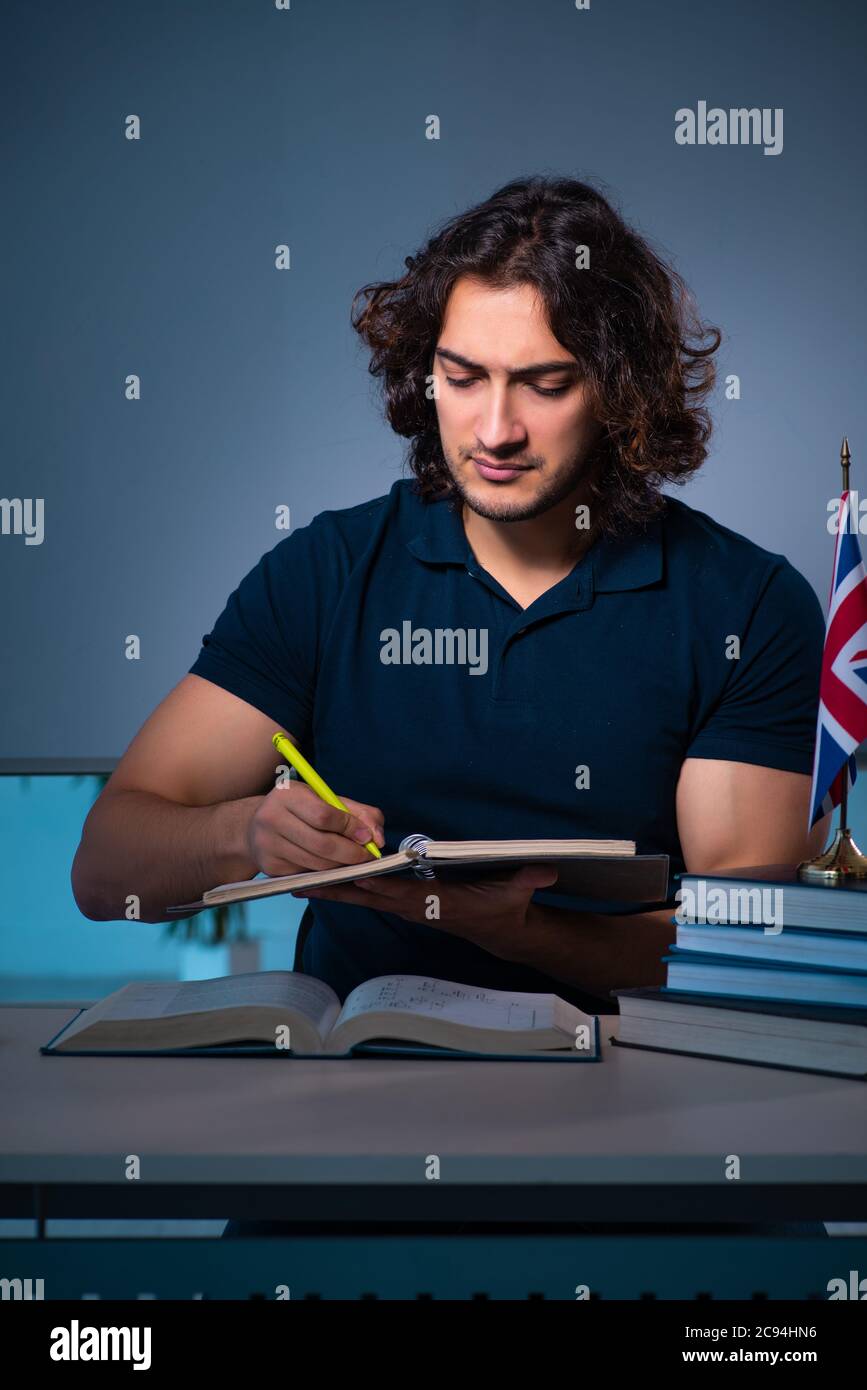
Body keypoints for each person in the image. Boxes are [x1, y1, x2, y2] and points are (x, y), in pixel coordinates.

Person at [71, 175, 830, 1240]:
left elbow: (748, 947)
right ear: (422, 375)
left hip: (644, 1133)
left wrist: (530, 933)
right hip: (350, 1139)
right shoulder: (329, 570)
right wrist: (243, 827)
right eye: (462, 377)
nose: (496, 427)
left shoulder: (743, 602)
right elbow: (105, 870)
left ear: (618, 387)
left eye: (545, 384)